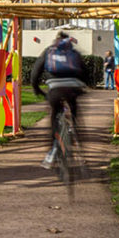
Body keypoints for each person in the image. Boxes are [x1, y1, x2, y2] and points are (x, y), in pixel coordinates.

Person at [29, 31, 89, 169]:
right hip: (72, 89)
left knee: (54, 117)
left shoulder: (49, 51)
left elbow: (35, 72)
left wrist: (36, 89)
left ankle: (52, 151)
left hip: (55, 89)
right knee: (74, 115)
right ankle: (79, 146)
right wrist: (84, 87)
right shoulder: (73, 52)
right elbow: (85, 72)